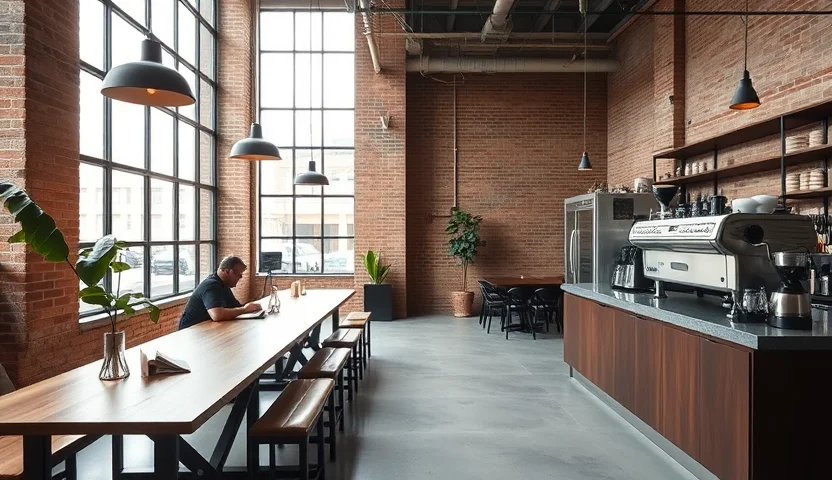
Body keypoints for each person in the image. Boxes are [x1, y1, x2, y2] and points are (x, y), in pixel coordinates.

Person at [178, 256, 263, 330]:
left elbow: (236, 307)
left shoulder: (224, 284)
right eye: (239, 274)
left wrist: (251, 308)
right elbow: (217, 315)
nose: (240, 277)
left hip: (208, 329)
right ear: (227, 271)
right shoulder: (211, 285)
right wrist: (244, 309)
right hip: (191, 332)